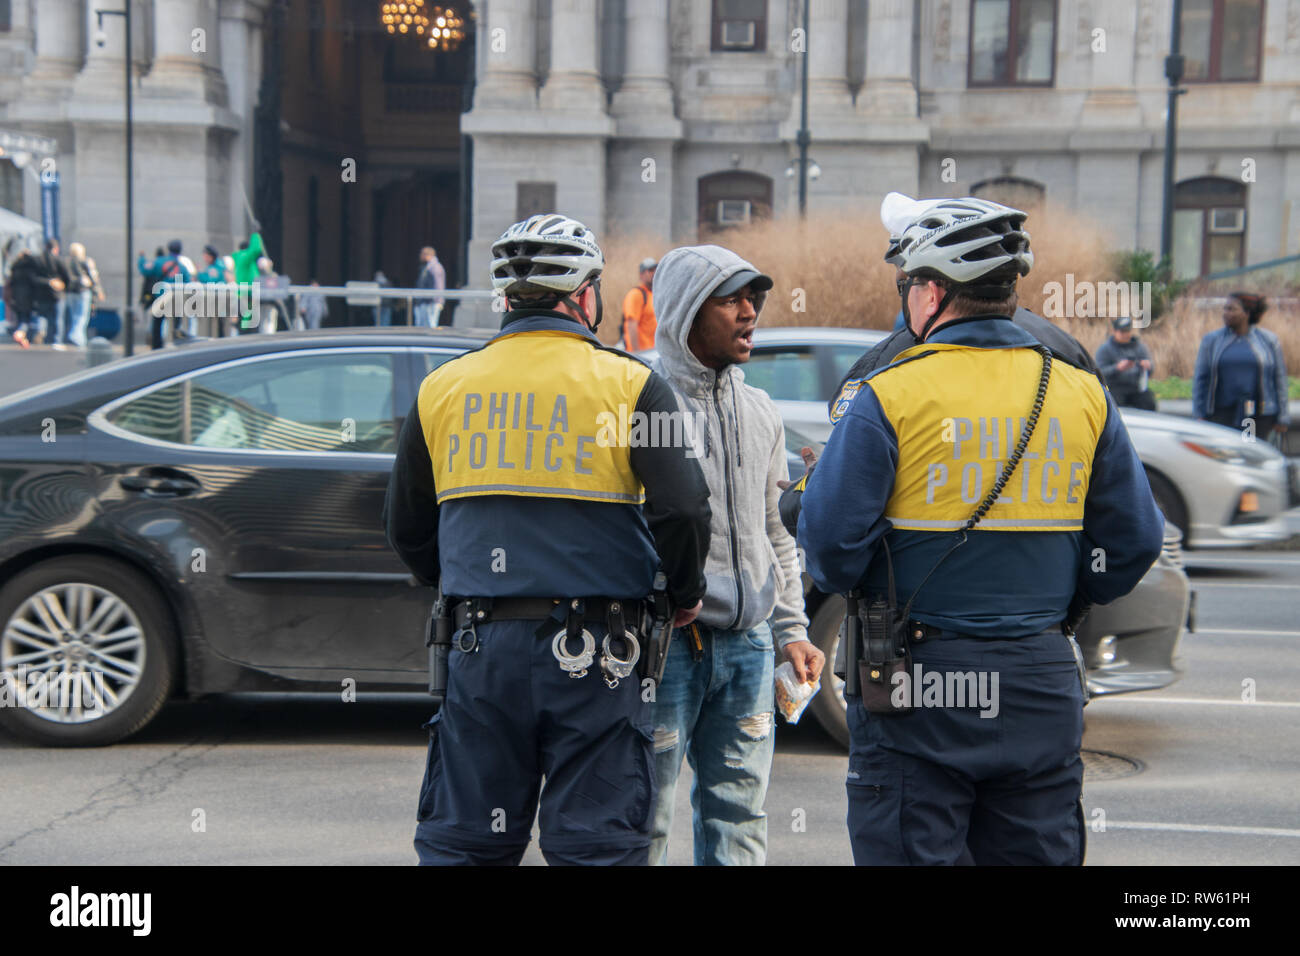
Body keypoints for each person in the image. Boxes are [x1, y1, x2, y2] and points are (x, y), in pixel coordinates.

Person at [797, 195, 1163, 866]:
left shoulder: (890, 390)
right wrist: (1059, 605)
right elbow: (1135, 540)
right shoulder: (1081, 390)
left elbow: (827, 550)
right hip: (1042, 677)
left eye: (908, 283)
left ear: (931, 292)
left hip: (918, 682)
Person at [384, 213, 711, 866]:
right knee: (596, 849)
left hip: (479, 650)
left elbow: (407, 527)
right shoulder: (635, 386)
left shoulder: (441, 389)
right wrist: (684, 592)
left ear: (506, 298)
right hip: (600, 656)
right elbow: (683, 509)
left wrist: (459, 580)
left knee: (466, 847)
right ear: (586, 295)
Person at [647, 245, 822, 866]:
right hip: (665, 650)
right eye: (731, 301)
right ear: (684, 312)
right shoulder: (643, 406)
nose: (750, 314)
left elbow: (775, 533)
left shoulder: (760, 411)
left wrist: (791, 631)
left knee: (740, 820)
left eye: (755, 300)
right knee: (645, 820)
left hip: (748, 652)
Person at [1192, 293, 1289, 439]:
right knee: (1224, 457)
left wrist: (1283, 417)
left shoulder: (1268, 340)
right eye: (1225, 309)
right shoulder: (1211, 340)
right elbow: (1201, 378)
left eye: (1232, 309)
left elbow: (1279, 379)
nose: (1226, 313)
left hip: (1258, 414)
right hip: (1221, 413)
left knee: (1251, 457)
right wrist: (1199, 413)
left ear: (1247, 313)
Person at [1094, 316, 1156, 410]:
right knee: (1116, 402)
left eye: (1127, 331)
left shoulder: (1140, 347)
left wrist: (1148, 366)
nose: (1125, 334)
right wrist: (1117, 368)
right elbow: (1098, 373)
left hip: (1135, 388)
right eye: (1122, 332)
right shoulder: (1105, 349)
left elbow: (1151, 370)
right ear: (1115, 332)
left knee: (1148, 401)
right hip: (1114, 388)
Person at [63, 242, 104, 348]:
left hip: (71, 291)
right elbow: (93, 277)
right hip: (83, 291)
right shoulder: (86, 261)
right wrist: (98, 291)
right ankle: (76, 336)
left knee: (74, 316)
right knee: (82, 316)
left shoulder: (67, 262)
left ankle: (80, 339)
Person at [622, 257, 658, 352]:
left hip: (653, 353)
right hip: (642, 355)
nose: (654, 273)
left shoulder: (654, 294)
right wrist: (637, 354)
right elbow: (631, 325)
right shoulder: (636, 294)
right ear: (641, 275)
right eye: (650, 270)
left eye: (655, 270)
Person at [415, 246, 447, 327]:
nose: (420, 256)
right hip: (424, 301)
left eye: (422, 254)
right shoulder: (427, 267)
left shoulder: (435, 267)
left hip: (431, 302)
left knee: (431, 325)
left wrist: (438, 300)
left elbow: (438, 285)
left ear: (428, 255)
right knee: (423, 325)